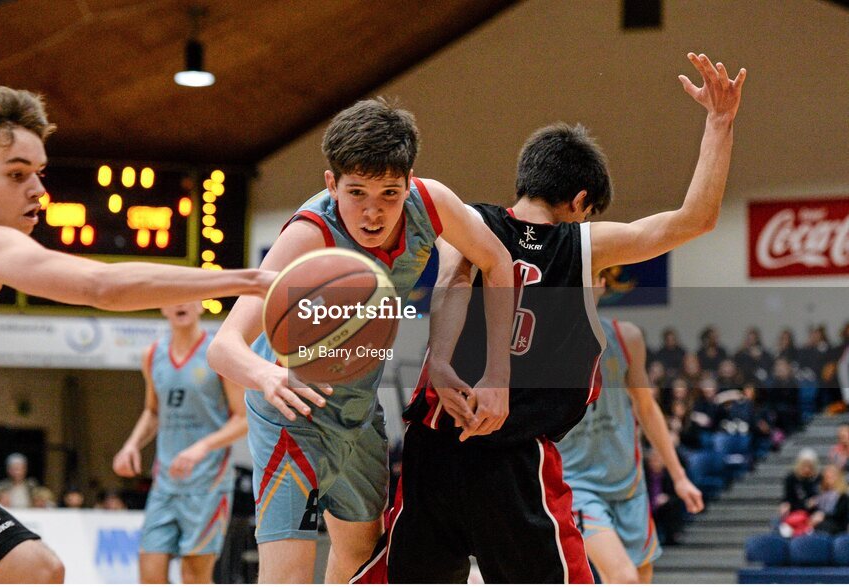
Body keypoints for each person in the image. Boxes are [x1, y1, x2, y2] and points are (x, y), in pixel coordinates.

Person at [0, 84, 273, 583]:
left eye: (39, 173)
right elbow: (99, 284)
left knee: (33, 568)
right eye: (17, 174)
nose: (38, 190)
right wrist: (252, 280)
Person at [355, 52, 746, 583]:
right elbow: (695, 219)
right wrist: (719, 124)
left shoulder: (469, 223)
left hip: (434, 446)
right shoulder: (585, 244)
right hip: (513, 458)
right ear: (581, 201)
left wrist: (441, 364)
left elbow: (448, 282)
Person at [206, 97, 516, 583]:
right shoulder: (307, 239)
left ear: (410, 183)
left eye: (389, 194)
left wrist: (497, 373)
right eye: (357, 194)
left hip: (358, 413)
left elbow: (498, 262)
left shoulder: (431, 205)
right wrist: (267, 375)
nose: (373, 213)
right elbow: (223, 346)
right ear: (332, 184)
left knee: (361, 556)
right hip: (293, 418)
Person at [557, 281, 704, 584]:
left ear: (602, 284)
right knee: (624, 578)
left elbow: (647, 408)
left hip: (628, 483)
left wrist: (678, 477)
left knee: (640, 576)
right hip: (577, 482)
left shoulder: (627, 337)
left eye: (592, 276)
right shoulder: (545, 339)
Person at [113, 302, 248, 584]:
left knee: (194, 577)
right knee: (149, 572)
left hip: (208, 483)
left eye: (189, 296)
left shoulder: (217, 353)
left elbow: (244, 418)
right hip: (165, 483)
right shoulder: (151, 355)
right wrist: (131, 445)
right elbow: (152, 411)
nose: (181, 302)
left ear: (202, 305)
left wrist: (203, 446)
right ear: (162, 307)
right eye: (173, 296)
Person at [778, 449, 820, 537]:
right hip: (794, 511)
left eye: (810, 467)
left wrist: (816, 503)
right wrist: (784, 505)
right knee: (778, 524)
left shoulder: (818, 479)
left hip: (812, 513)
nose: (806, 470)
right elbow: (787, 497)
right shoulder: (791, 478)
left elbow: (820, 499)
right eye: (804, 466)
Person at [810, 465, 849, 535]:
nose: (829, 480)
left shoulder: (843, 495)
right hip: (822, 524)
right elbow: (816, 510)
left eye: (832, 477)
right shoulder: (822, 494)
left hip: (837, 526)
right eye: (827, 477)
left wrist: (823, 516)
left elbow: (839, 515)